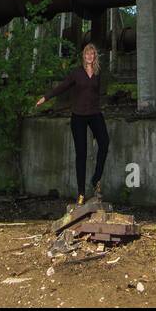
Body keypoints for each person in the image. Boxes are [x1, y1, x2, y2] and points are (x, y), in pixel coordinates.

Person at [36, 42, 110, 206]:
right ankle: (81, 193)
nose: (89, 56)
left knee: (104, 142)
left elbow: (98, 93)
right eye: (87, 54)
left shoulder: (98, 73)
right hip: (78, 117)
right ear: (83, 56)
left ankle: (96, 178)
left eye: (92, 54)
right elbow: (62, 86)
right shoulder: (77, 73)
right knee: (81, 154)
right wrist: (46, 97)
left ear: (94, 56)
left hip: (95, 114)